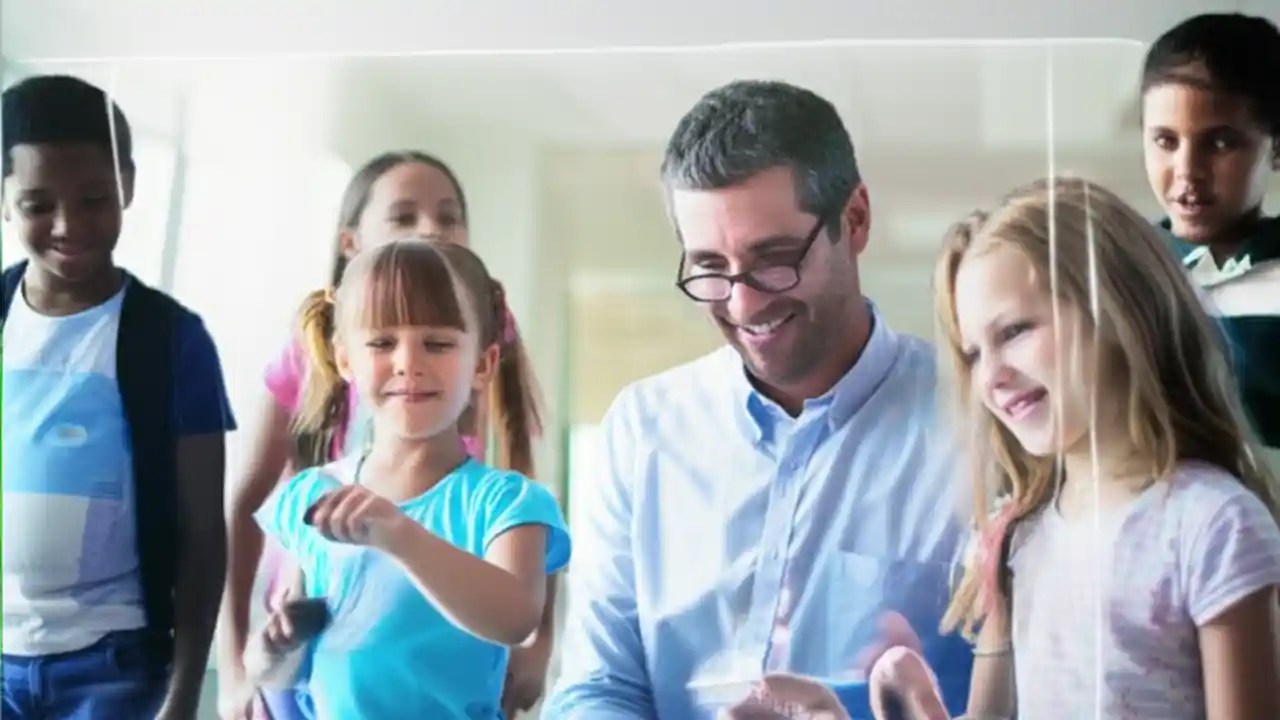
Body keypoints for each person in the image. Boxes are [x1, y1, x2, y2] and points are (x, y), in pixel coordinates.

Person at [544, 79, 973, 720]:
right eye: (710, 266)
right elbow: (597, 688)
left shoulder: (975, 424)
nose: (744, 304)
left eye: (774, 258)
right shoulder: (643, 430)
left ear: (854, 220)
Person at [775, 177, 1280, 719]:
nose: (991, 376)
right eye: (973, 354)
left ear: (1117, 308)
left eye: (1014, 331)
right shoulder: (1016, 539)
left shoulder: (1214, 526)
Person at [216, 151, 554, 719]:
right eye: (382, 343)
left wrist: (400, 533)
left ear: (482, 361)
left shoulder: (506, 503)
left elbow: (518, 611)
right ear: (345, 359)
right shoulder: (316, 497)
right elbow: (288, 666)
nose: (408, 363)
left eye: (439, 344)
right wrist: (260, 655)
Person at [1, 75, 236, 718]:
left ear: (128, 185)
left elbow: (201, 535)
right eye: (36, 204)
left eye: (94, 197)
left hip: (114, 670)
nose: (68, 224)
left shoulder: (173, 341)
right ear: (4, 199)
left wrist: (182, 694)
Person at [1141, 13, 1280, 470]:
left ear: (1275, 149)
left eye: (1219, 144)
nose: (1187, 170)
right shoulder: (1127, 270)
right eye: (1165, 140)